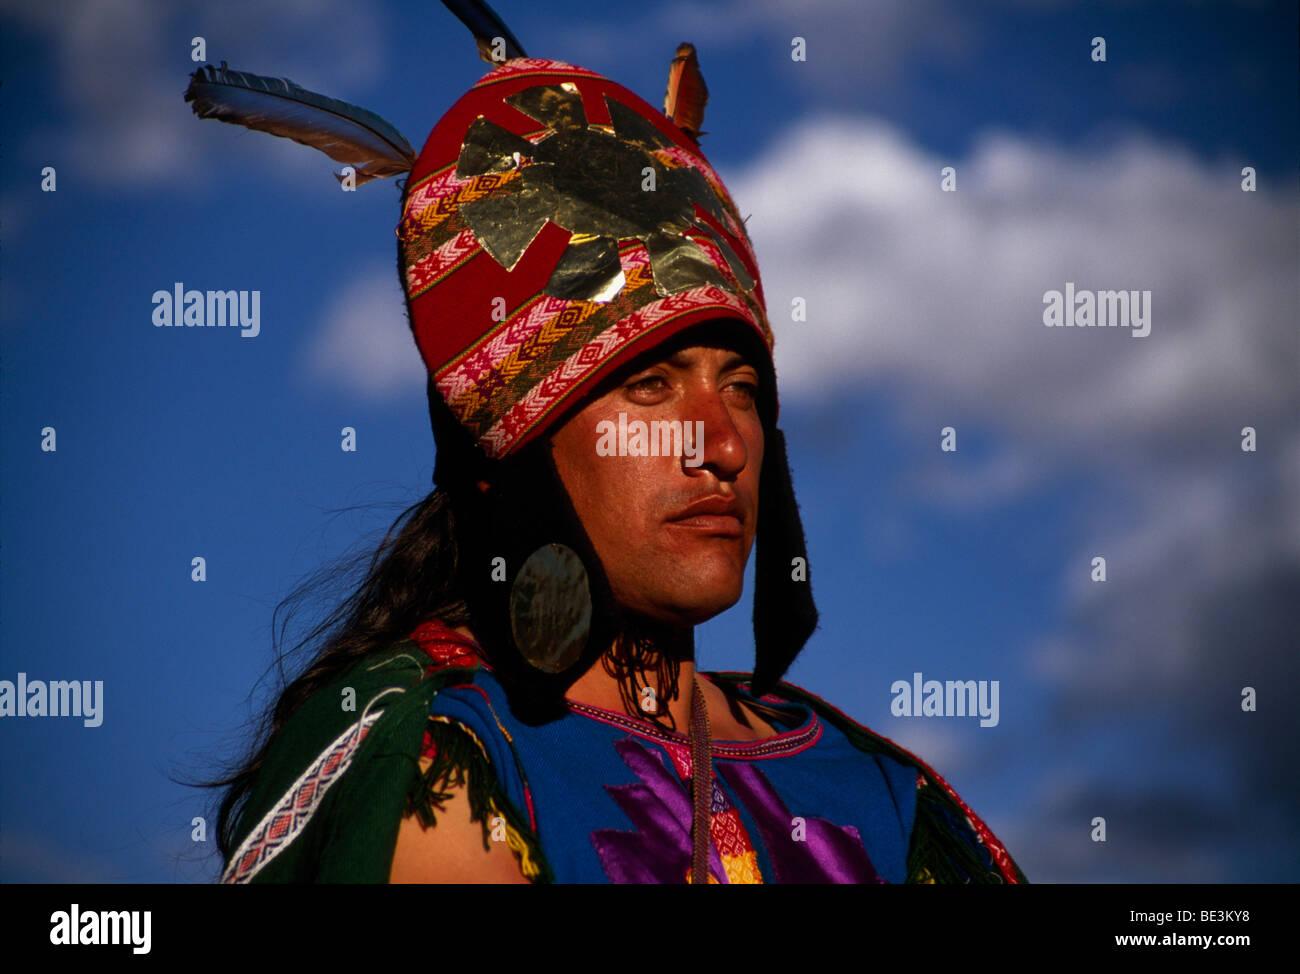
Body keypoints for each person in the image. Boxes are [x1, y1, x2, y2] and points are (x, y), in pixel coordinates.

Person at [195, 32, 1026, 885]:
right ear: (522, 444)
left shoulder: (880, 796)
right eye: (651, 386)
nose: (725, 446)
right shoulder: (446, 759)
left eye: (741, 387)